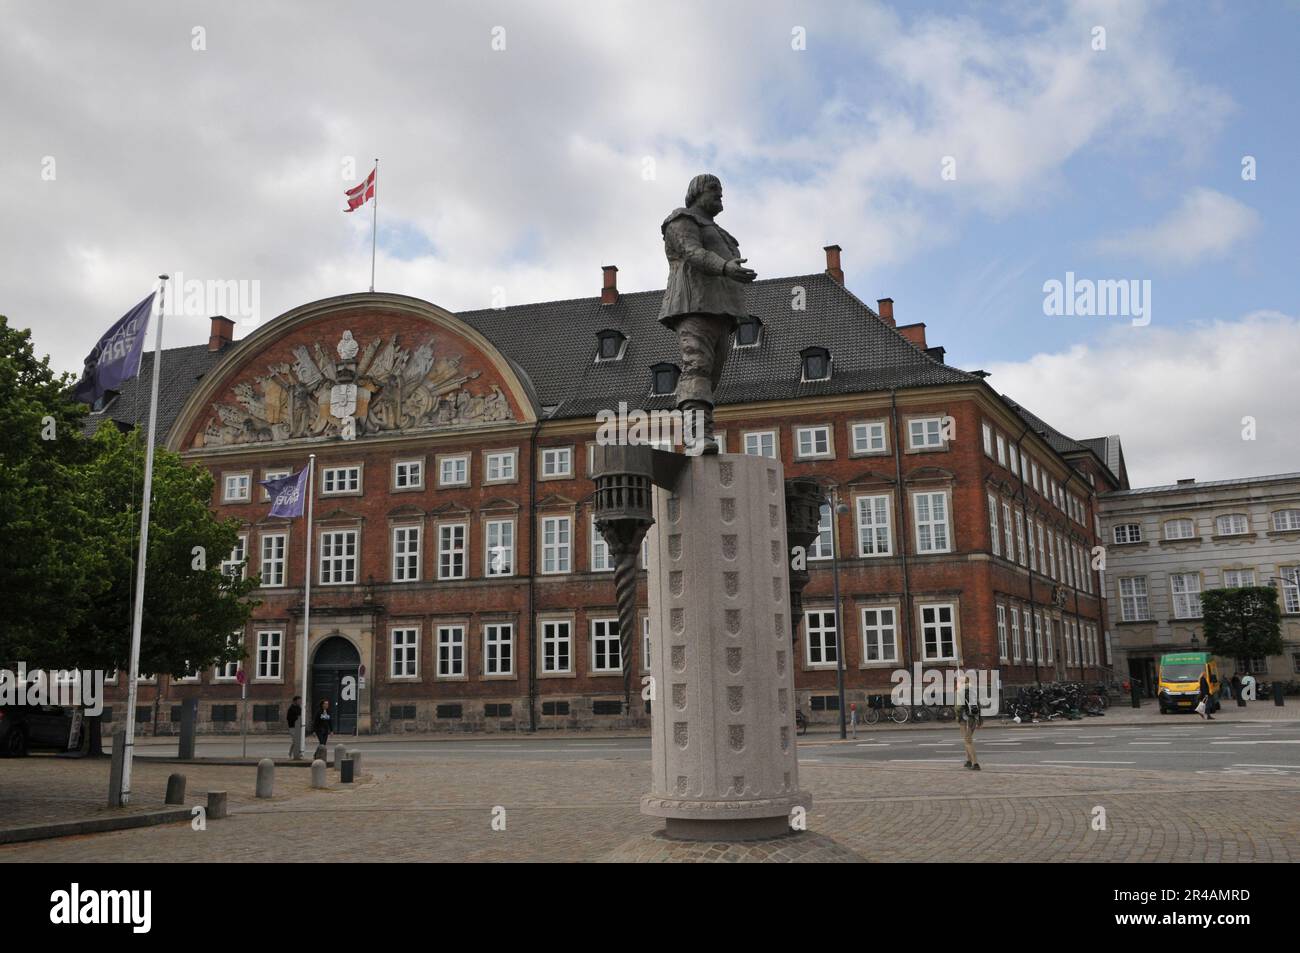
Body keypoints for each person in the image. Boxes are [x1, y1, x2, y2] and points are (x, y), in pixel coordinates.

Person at [658, 174, 757, 454]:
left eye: (721, 190)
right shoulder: (682, 220)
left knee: (710, 377)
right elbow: (692, 252)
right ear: (696, 192)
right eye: (714, 190)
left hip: (721, 310)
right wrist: (726, 267)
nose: (720, 196)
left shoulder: (721, 232)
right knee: (697, 367)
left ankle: (703, 432)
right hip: (694, 305)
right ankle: (697, 436)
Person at [955, 673, 981, 770]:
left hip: (964, 719)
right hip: (974, 717)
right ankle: (969, 761)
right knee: (967, 740)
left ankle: (975, 763)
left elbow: (958, 707)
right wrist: (980, 719)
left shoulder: (960, 691)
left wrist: (957, 717)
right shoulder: (973, 690)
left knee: (968, 741)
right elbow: (978, 704)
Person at [287, 695, 303, 759]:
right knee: (295, 741)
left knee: (297, 741)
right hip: (292, 727)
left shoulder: (299, 708)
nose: (300, 702)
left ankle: (293, 753)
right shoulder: (291, 708)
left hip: (298, 727)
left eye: (300, 700)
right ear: (295, 701)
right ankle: (292, 754)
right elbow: (288, 718)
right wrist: (296, 718)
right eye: (299, 700)